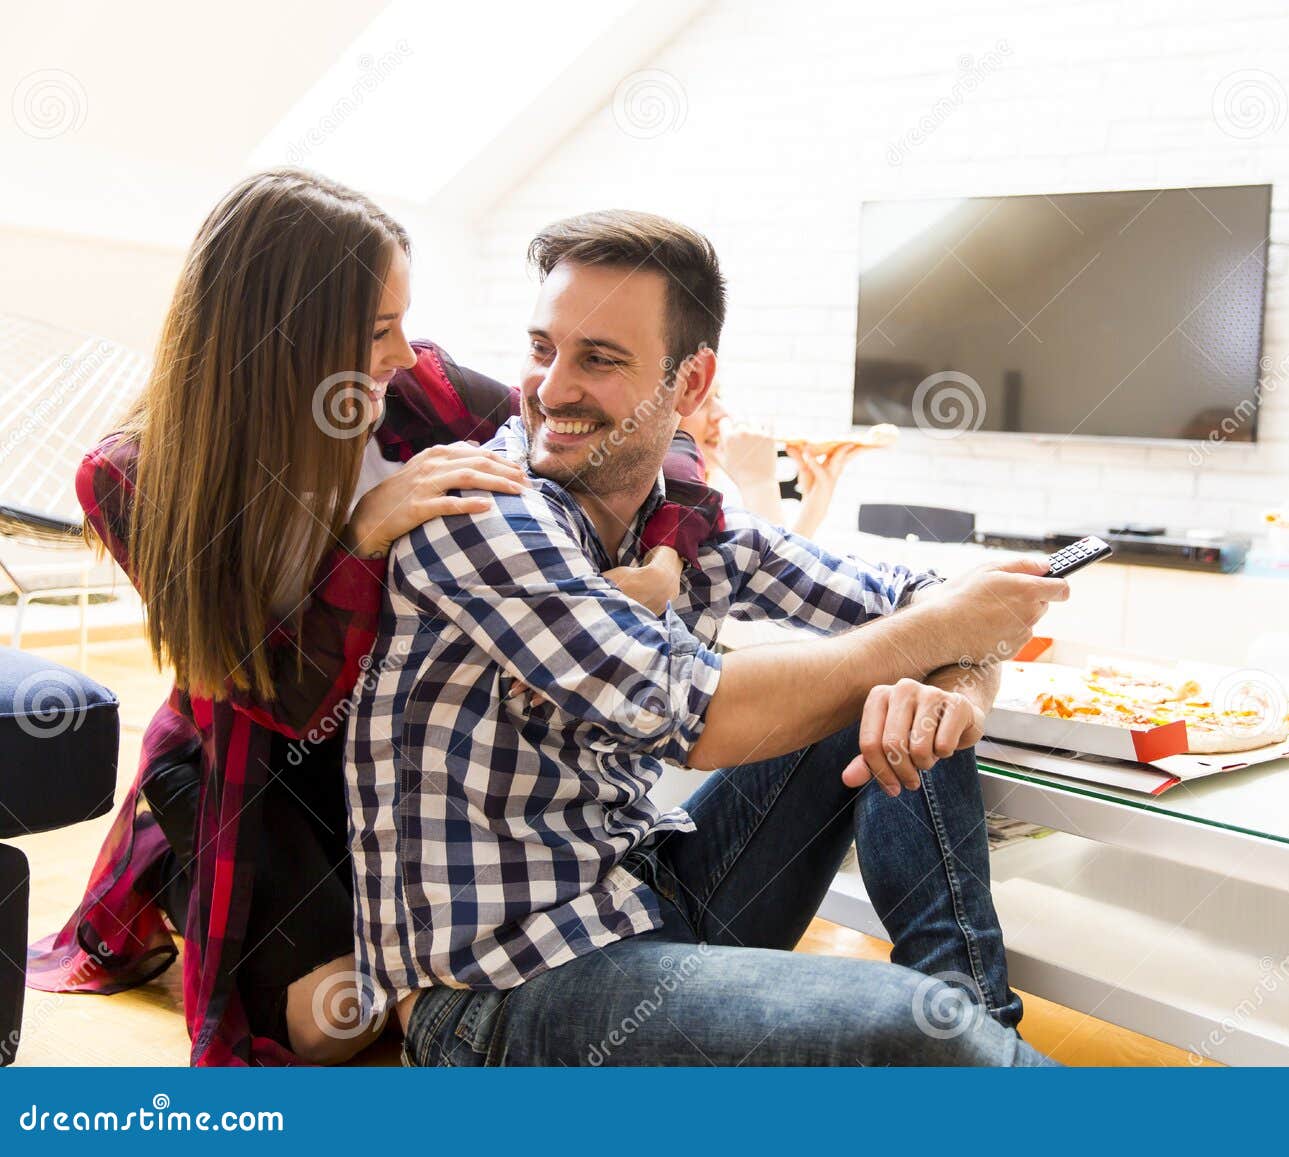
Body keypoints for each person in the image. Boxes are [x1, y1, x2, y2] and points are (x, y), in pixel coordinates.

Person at [348, 210, 1071, 1066]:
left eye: (600, 359)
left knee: (899, 680)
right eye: (543, 348)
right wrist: (946, 632)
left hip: (641, 905)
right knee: (904, 1023)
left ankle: (980, 1022)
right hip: (500, 998)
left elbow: (925, 600)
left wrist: (959, 682)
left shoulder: (687, 526)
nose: (551, 387)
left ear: (690, 384)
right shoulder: (479, 510)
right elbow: (693, 715)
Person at [27, 170, 714, 1065]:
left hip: (410, 753)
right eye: (377, 329)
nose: (403, 350)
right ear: (287, 337)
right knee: (319, 1029)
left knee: (407, 990)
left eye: (402, 319)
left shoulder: (419, 390)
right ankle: (186, 890)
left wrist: (665, 550)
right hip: (261, 766)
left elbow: (617, 430)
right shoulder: (135, 477)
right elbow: (274, 689)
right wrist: (362, 541)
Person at [679, 384, 865, 537]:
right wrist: (758, 484)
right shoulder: (676, 515)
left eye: (717, 396)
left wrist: (812, 512)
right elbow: (772, 576)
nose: (723, 413)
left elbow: (781, 575)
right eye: (701, 400)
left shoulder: (709, 502)